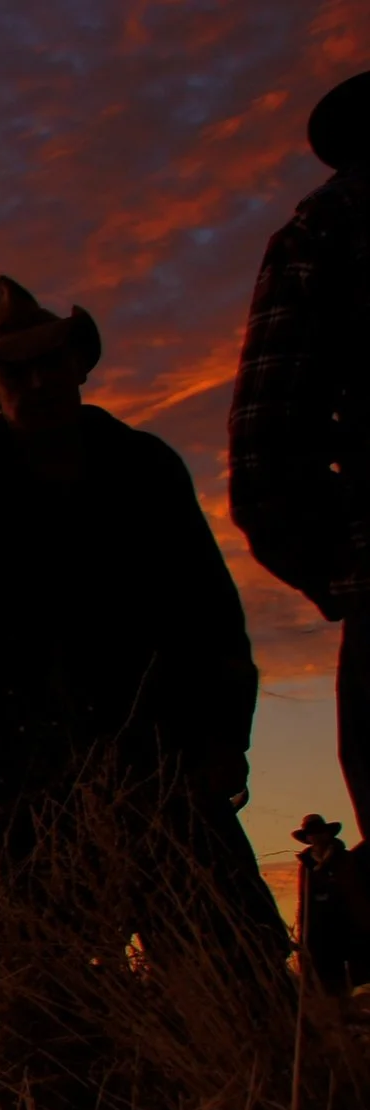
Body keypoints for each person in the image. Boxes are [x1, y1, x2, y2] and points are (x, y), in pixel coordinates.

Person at [0, 274, 285, 984]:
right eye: (15, 370)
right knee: (43, 1005)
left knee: (239, 982)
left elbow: (214, 620)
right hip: (34, 792)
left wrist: (225, 742)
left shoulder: (146, 469)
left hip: (170, 774)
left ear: (76, 365)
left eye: (50, 361)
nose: (37, 381)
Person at [232, 75, 370, 827]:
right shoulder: (333, 226)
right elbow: (266, 457)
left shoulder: (328, 224)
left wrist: (350, 574)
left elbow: (265, 451)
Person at [295, 814, 370, 1005]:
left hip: (350, 923)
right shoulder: (306, 866)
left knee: (361, 974)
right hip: (321, 928)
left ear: (328, 834)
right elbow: (304, 899)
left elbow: (357, 890)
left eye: (320, 832)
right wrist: (304, 932)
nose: (316, 837)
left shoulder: (346, 858)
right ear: (308, 838)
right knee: (330, 980)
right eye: (312, 834)